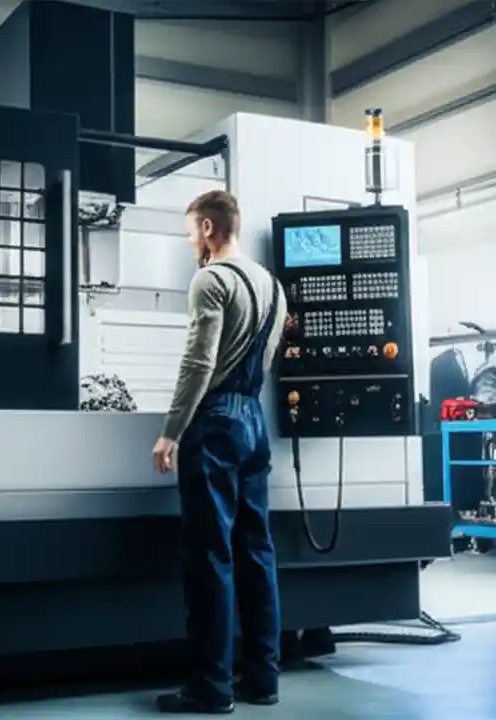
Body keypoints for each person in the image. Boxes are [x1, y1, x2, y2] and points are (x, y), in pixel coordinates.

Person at [152, 189, 287, 714]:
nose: (190, 242)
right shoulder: (272, 286)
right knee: (257, 551)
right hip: (255, 420)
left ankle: (211, 686)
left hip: (216, 424)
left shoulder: (210, 279)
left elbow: (198, 364)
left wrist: (170, 431)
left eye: (190, 232)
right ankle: (263, 678)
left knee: (210, 554)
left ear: (208, 228)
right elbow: (266, 360)